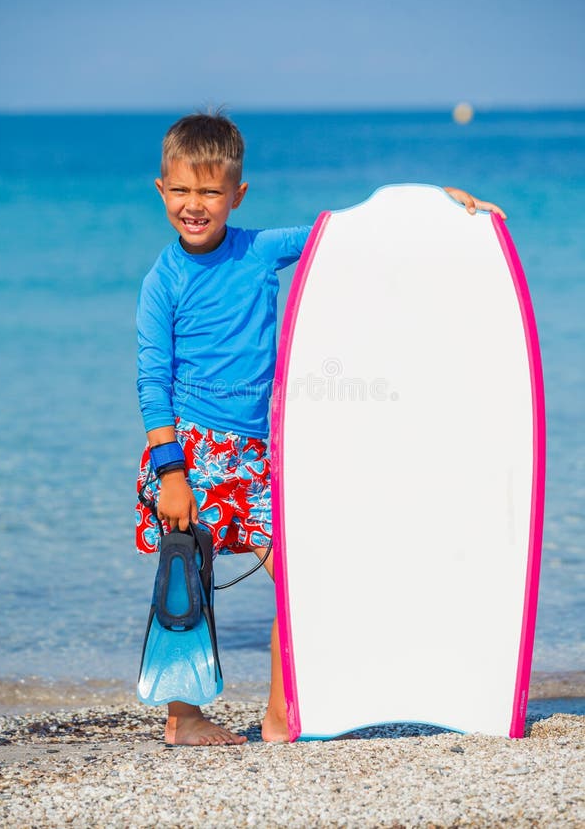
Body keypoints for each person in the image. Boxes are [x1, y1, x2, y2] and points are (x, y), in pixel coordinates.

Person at [135, 111, 507, 746]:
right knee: (186, 581)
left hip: (257, 451)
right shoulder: (162, 282)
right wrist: (172, 474)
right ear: (161, 189)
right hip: (190, 452)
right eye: (181, 190)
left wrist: (436, 207)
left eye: (210, 191)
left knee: (298, 576)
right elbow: (152, 382)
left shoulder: (257, 250)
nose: (194, 205)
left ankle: (282, 715)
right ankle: (183, 718)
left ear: (237, 194)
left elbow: (345, 234)